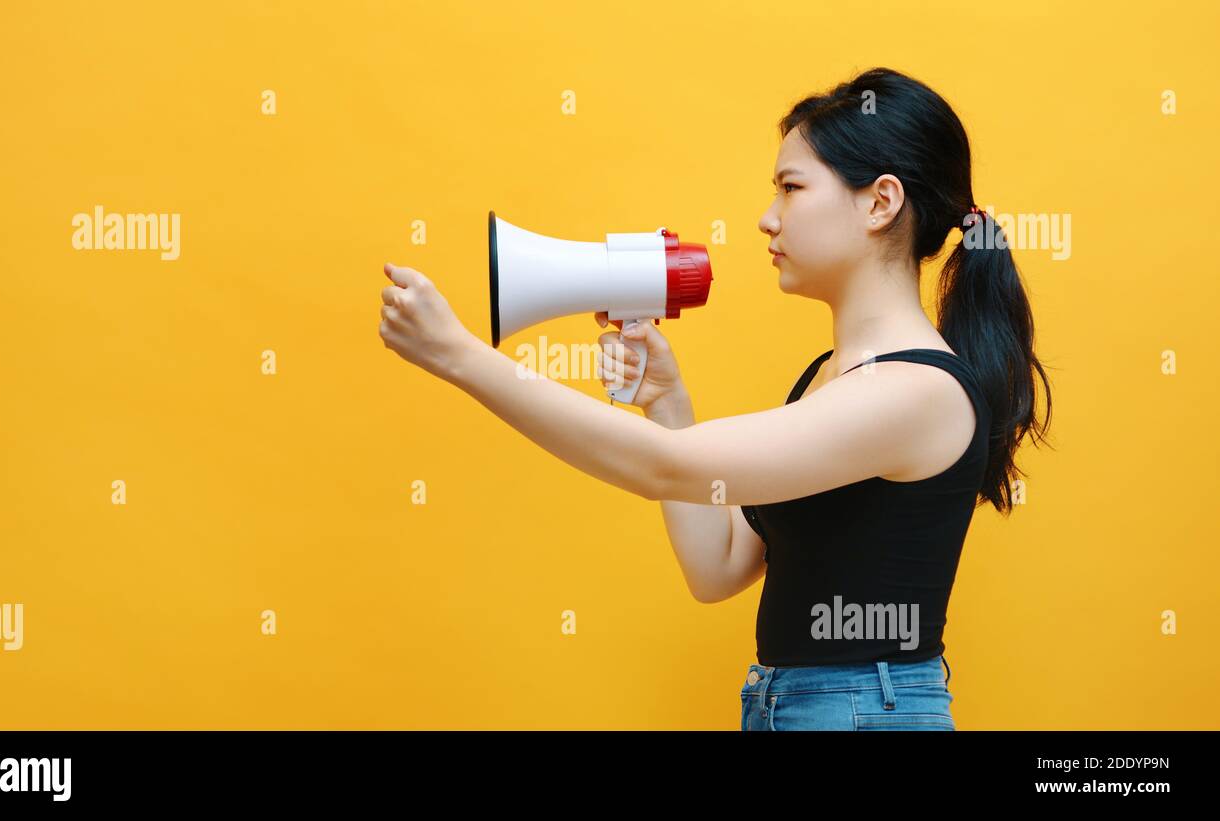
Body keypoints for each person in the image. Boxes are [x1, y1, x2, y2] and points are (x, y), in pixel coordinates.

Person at [377, 67, 1053, 731]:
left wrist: (461, 357)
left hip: (860, 710)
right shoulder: (832, 381)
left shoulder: (918, 390)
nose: (767, 219)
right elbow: (718, 567)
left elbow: (664, 467)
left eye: (791, 188)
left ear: (880, 202)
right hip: (792, 705)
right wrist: (669, 405)